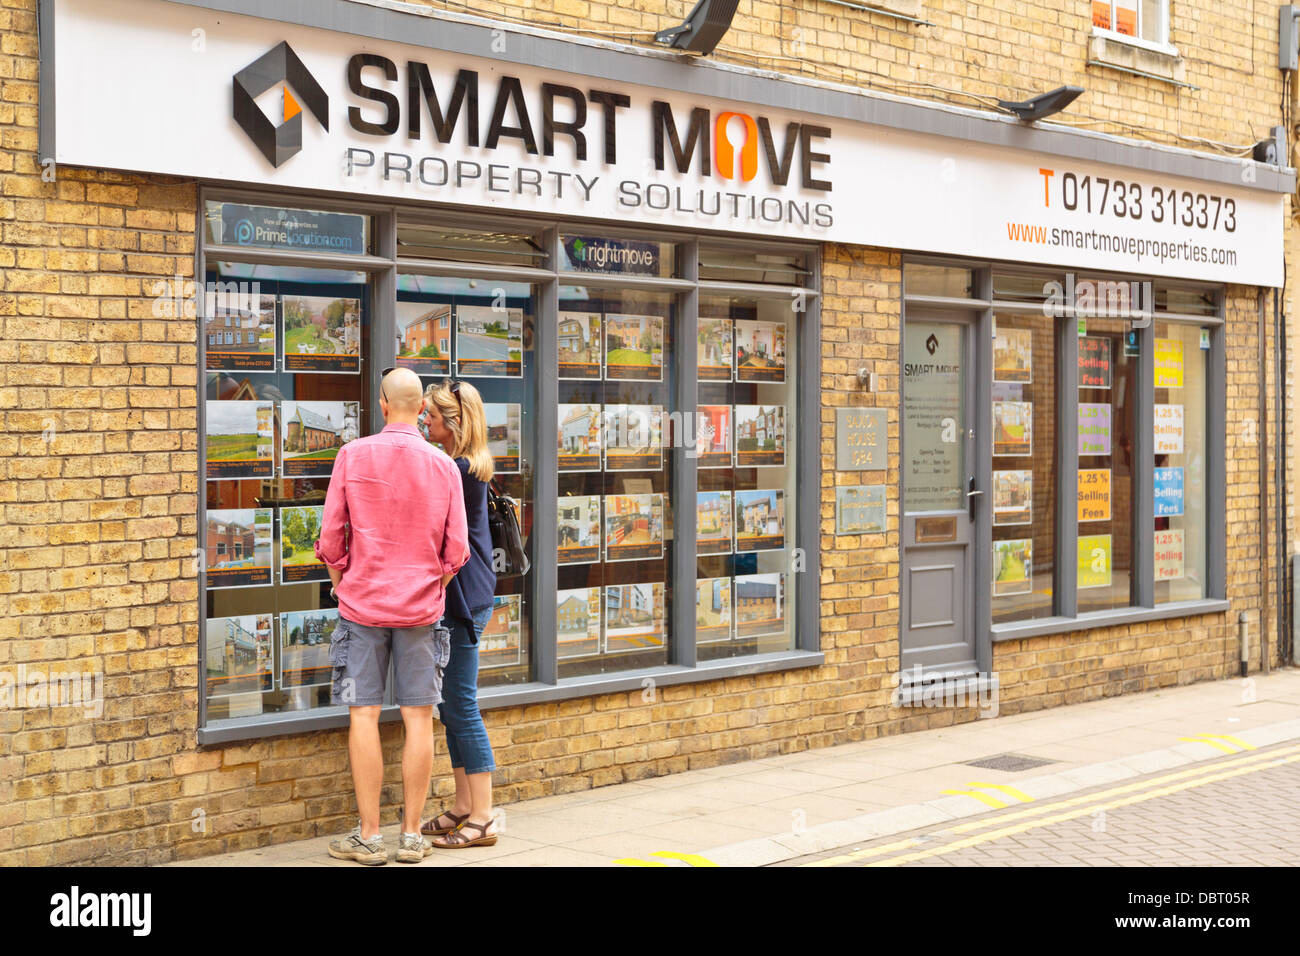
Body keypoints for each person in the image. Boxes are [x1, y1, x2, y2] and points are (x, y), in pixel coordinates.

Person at [315, 367, 469, 865]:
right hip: (421, 611)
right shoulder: (444, 466)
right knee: (419, 717)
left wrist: (342, 581)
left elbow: (331, 536)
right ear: (421, 409)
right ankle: (410, 837)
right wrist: (430, 587)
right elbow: (457, 552)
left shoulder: (351, 455)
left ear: (382, 404)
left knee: (363, 715)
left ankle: (368, 835)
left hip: (362, 608)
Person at [417, 379, 501, 849]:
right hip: (469, 596)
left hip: (463, 602)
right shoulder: (467, 465)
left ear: (454, 423)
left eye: (431, 416)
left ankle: (484, 816)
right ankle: (464, 804)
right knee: (450, 705)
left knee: (461, 705)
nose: (425, 422)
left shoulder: (460, 469)